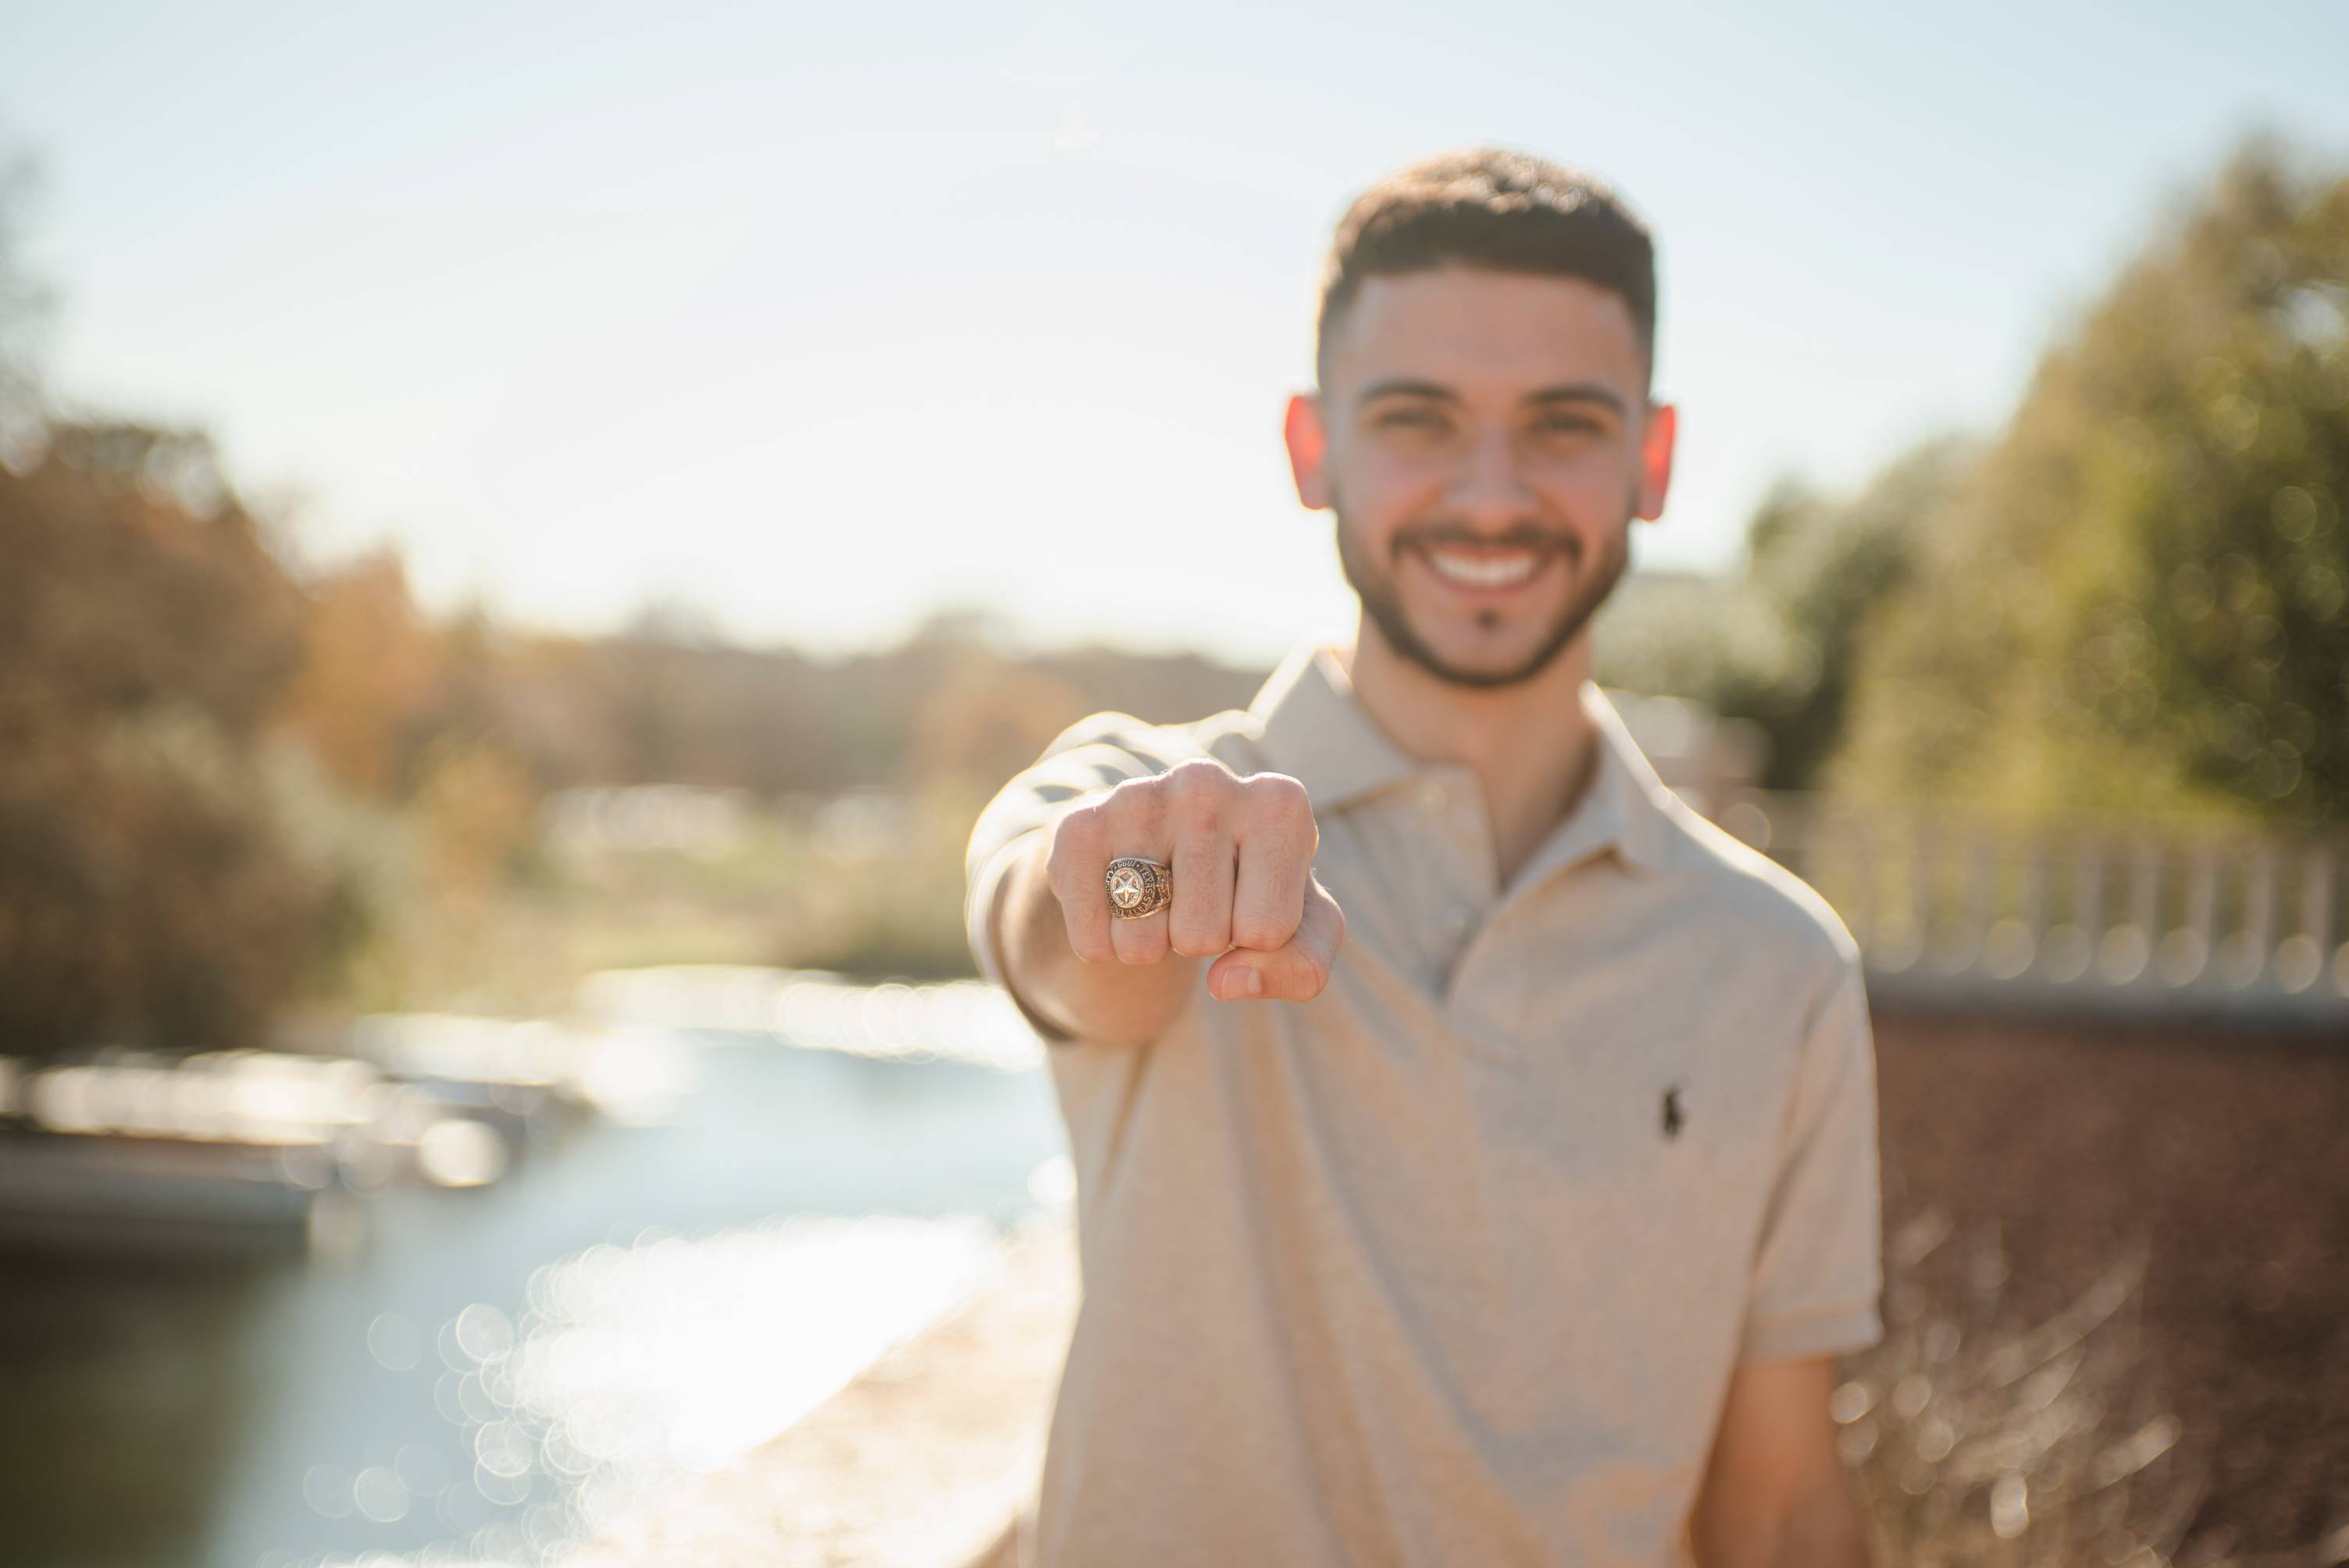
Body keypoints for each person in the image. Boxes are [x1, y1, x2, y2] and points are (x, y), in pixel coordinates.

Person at [961, 147, 1883, 1568]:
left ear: (1653, 458)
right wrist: (1141, 884)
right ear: (1311, 444)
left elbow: (1776, 1510)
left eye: (1565, 425)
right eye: (1419, 419)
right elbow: (1070, 930)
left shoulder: (1780, 967)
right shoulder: (1147, 802)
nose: (1492, 496)